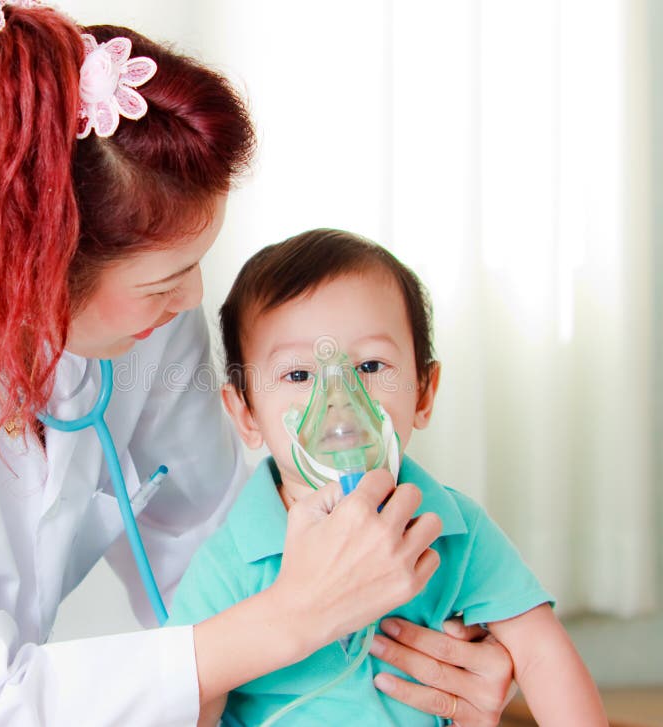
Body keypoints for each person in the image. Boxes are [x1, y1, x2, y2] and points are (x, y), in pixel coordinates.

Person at [0, 2, 516, 724]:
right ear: (37, 272)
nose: (194, 298)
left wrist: (423, 657)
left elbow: (211, 541)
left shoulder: (146, 309)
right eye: (162, 283)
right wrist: (293, 618)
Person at [167, 229, 609, 726]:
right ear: (246, 413)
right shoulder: (228, 564)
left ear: (423, 392)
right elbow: (187, 701)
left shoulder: (456, 531)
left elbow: (542, 656)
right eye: (299, 376)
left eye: (370, 365)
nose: (338, 401)